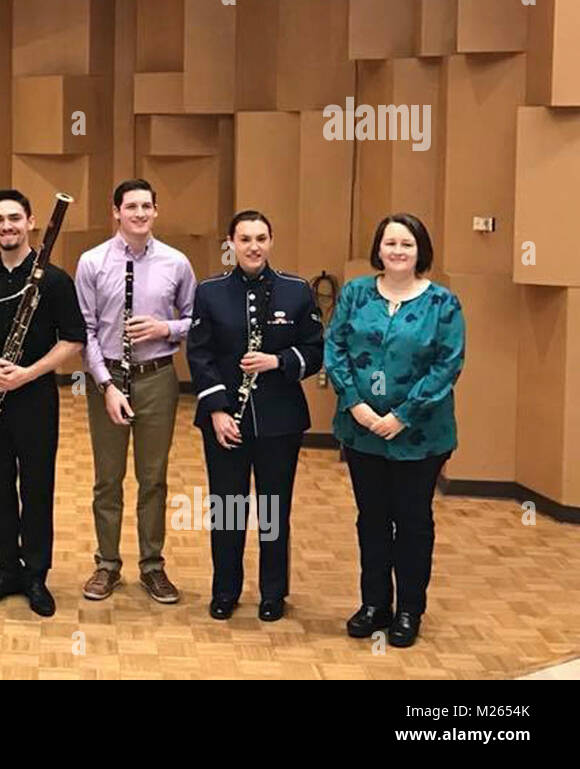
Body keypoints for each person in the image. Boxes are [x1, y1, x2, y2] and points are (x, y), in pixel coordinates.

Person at [325, 213, 465, 648]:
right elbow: (336, 349)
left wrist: (402, 415)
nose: (398, 251)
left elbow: (448, 365)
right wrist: (358, 405)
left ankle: (409, 610)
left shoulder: (443, 303)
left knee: (412, 521)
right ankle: (374, 605)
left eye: (407, 244)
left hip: (420, 436)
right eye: (390, 243)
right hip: (361, 430)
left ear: (420, 250)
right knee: (371, 519)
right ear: (378, 249)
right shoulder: (355, 294)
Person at [0, 190, 84, 617]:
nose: (6, 226)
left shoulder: (55, 279)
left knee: (36, 486)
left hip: (35, 396)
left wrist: (29, 372)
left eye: (14, 218)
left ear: (30, 222)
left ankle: (36, 575)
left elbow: (73, 339)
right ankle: (5, 568)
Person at [186, 210, 323, 622]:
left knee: (273, 510)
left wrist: (277, 361)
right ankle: (225, 590)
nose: (253, 246)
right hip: (225, 420)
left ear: (271, 240)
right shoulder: (210, 291)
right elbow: (199, 353)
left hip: (280, 421)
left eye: (261, 238)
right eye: (244, 239)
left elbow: (315, 350)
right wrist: (216, 410)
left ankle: (273, 593)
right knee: (227, 508)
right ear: (231, 243)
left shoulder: (296, 290)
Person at [75, 179, 196, 603]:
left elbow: (195, 319)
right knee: (107, 479)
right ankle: (107, 564)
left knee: (153, 478)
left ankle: (153, 566)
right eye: (132, 206)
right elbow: (85, 330)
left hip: (157, 377)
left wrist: (166, 328)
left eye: (147, 206)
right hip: (107, 378)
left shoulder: (176, 262)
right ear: (116, 211)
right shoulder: (92, 262)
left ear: (156, 211)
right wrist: (105, 385)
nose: (140, 213)